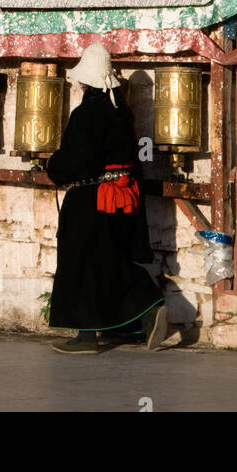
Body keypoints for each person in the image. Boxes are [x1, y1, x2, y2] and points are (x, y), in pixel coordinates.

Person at [44, 43, 169, 354]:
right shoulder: (120, 112)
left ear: (86, 82)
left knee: (82, 264)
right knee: (110, 261)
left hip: (92, 199)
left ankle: (88, 336)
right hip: (120, 197)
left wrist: (52, 166)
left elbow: (77, 162)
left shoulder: (87, 114)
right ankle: (140, 317)